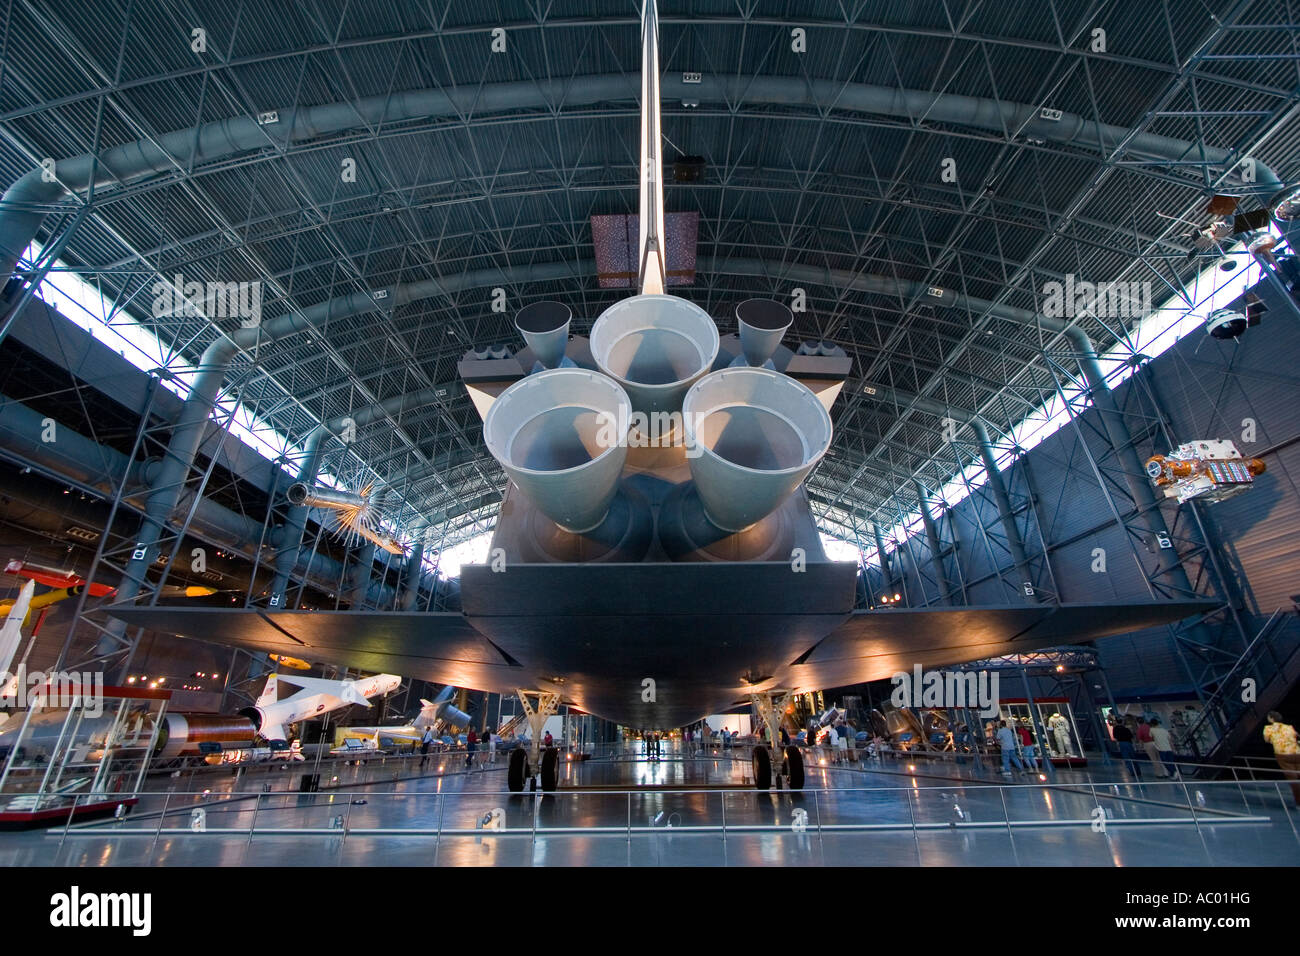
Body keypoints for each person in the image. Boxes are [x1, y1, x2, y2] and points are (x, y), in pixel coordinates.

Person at [1264, 711, 1300, 806]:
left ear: (1271, 719)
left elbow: (1267, 740)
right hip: (1296, 752)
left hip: (1282, 754)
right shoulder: (1289, 727)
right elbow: (1296, 735)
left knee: (1293, 778)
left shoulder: (1268, 728)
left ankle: (1299, 802)